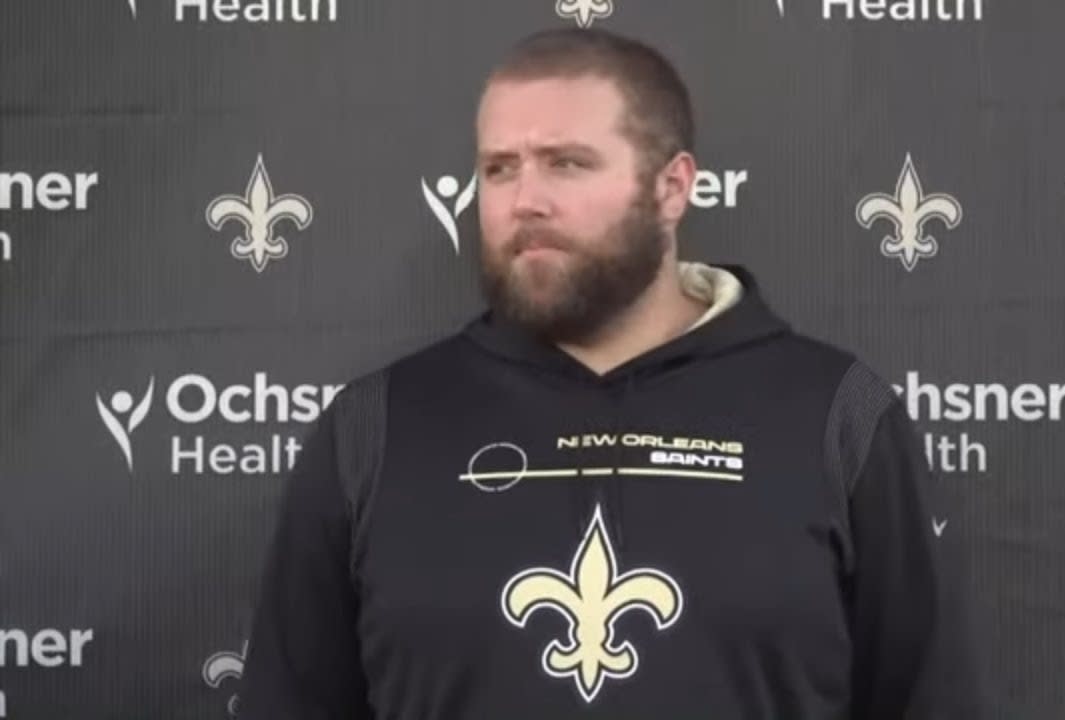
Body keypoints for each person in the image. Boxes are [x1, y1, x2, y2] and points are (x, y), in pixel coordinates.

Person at [238, 26, 987, 719]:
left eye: (567, 163)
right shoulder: (375, 427)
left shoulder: (838, 417)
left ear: (672, 186)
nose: (525, 201)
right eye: (499, 169)